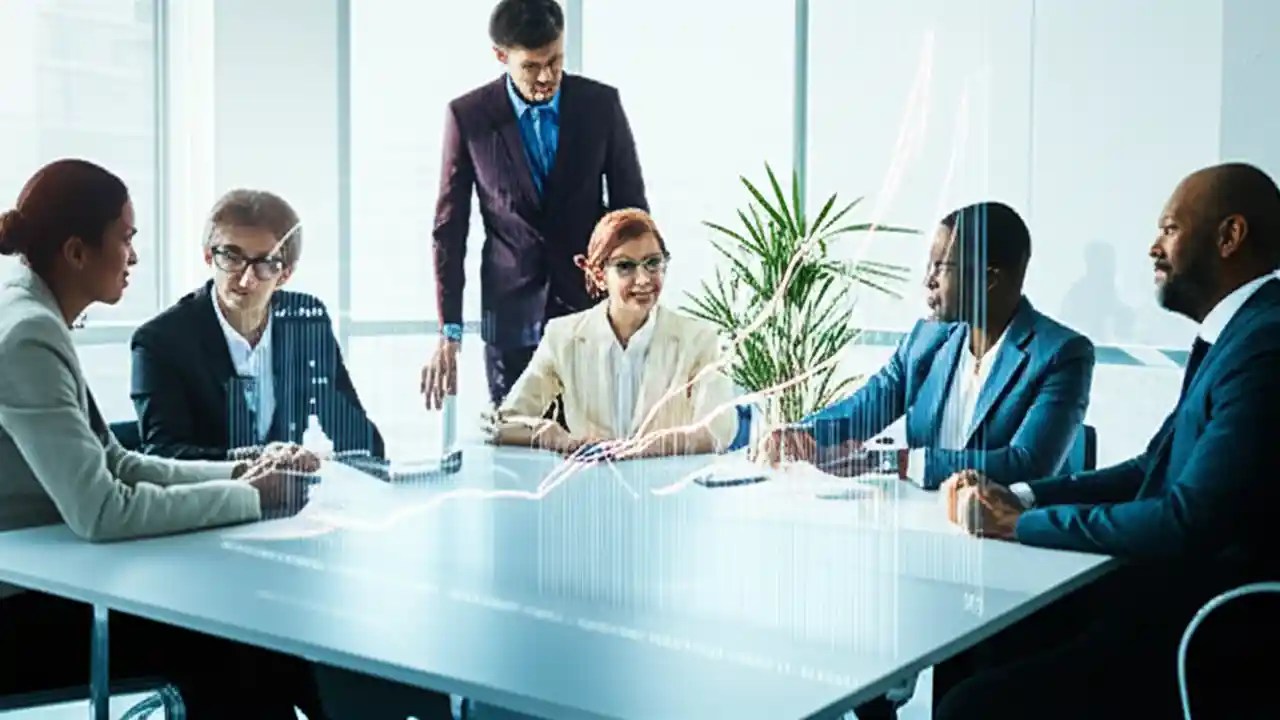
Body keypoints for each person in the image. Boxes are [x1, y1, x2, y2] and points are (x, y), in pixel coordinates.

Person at [939, 162, 1280, 719]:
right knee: (974, 637)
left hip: (1205, 633)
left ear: (1230, 236)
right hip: (1166, 598)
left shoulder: (1265, 344)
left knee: (970, 705)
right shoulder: (1239, 335)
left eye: (1169, 228)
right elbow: (1151, 467)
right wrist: (1022, 497)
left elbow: (1186, 518)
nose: (1152, 248)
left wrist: (1017, 525)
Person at [0, 159, 325, 718]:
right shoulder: (29, 333)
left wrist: (240, 470)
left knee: (256, 628)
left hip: (47, 576)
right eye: (125, 238)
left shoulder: (32, 311)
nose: (134, 257)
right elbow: (102, 511)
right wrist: (253, 497)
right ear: (76, 252)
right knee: (233, 632)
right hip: (17, 615)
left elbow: (119, 463)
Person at [757, 201, 1095, 489]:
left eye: (941, 267)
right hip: (923, 522)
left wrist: (896, 462)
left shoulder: (1061, 354)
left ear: (989, 279)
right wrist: (800, 435)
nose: (928, 281)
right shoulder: (927, 339)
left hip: (1003, 534)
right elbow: (864, 409)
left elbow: (1026, 465)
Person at [421, 0, 649, 411]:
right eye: (531, 66)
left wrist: (635, 308)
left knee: (595, 438)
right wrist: (449, 331)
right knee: (516, 441)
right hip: (510, 322)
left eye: (555, 60)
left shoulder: (600, 105)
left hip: (591, 316)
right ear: (501, 56)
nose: (546, 77)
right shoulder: (469, 117)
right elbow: (449, 231)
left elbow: (632, 216)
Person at [130, 189, 384, 462]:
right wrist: (258, 461)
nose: (245, 280)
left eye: (265, 264)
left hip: (291, 488)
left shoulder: (304, 320)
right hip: (210, 490)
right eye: (231, 257)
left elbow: (357, 435)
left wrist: (363, 467)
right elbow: (164, 454)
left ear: (285, 274)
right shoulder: (161, 340)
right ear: (208, 256)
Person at [485, 208, 737, 458]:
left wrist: (643, 448)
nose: (643, 279)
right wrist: (553, 436)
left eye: (653, 263)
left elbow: (719, 431)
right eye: (625, 266)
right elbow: (505, 423)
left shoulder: (699, 339)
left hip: (669, 481)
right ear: (599, 275)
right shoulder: (563, 337)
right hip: (592, 479)